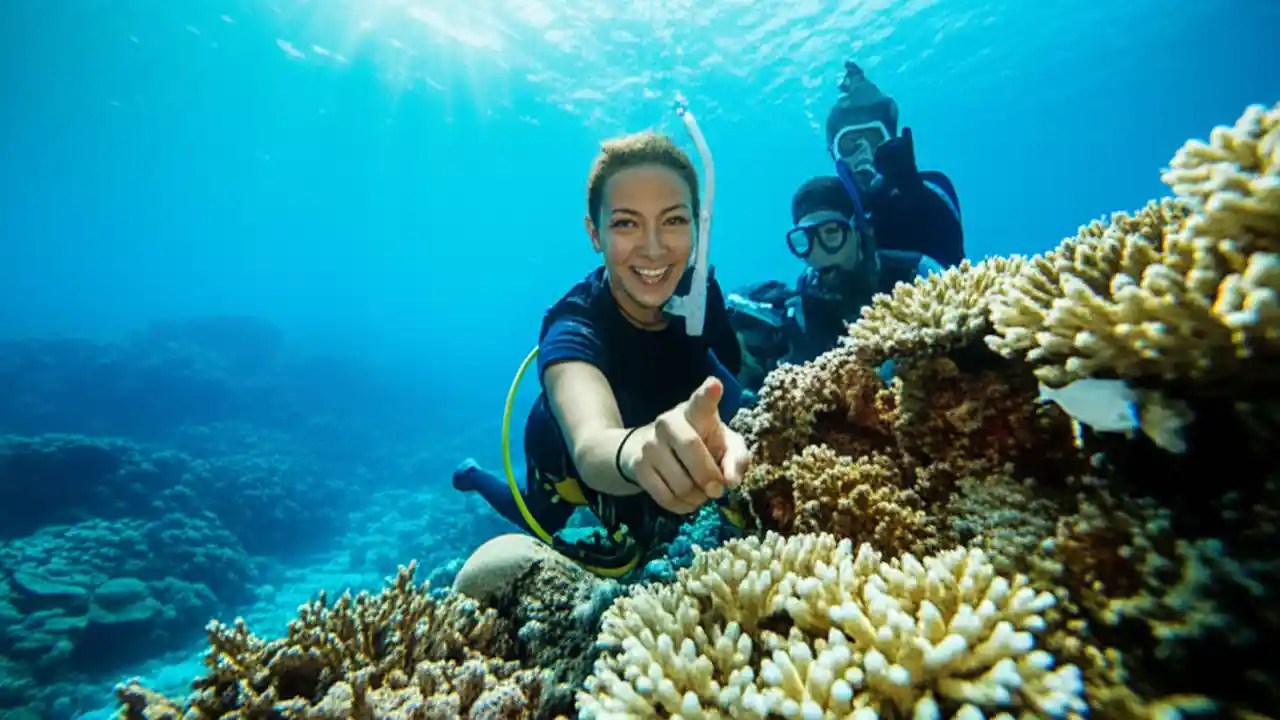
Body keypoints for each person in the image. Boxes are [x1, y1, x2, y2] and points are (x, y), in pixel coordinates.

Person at [451, 130, 752, 577]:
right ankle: (474, 476)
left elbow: (729, 369)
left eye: (673, 221)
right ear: (594, 233)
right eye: (626, 223)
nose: (653, 248)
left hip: (670, 410)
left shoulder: (701, 294)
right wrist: (637, 451)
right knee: (541, 520)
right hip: (568, 461)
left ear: (698, 226)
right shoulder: (573, 322)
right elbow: (593, 445)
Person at [727, 175, 945, 391]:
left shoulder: (916, 273)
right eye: (804, 240)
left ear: (857, 227)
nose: (818, 253)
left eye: (831, 233)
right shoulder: (803, 307)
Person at [826, 59, 965, 268]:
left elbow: (952, 253)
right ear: (836, 156)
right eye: (851, 144)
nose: (864, 153)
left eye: (873, 140)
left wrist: (915, 194)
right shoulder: (835, 214)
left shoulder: (932, 186)